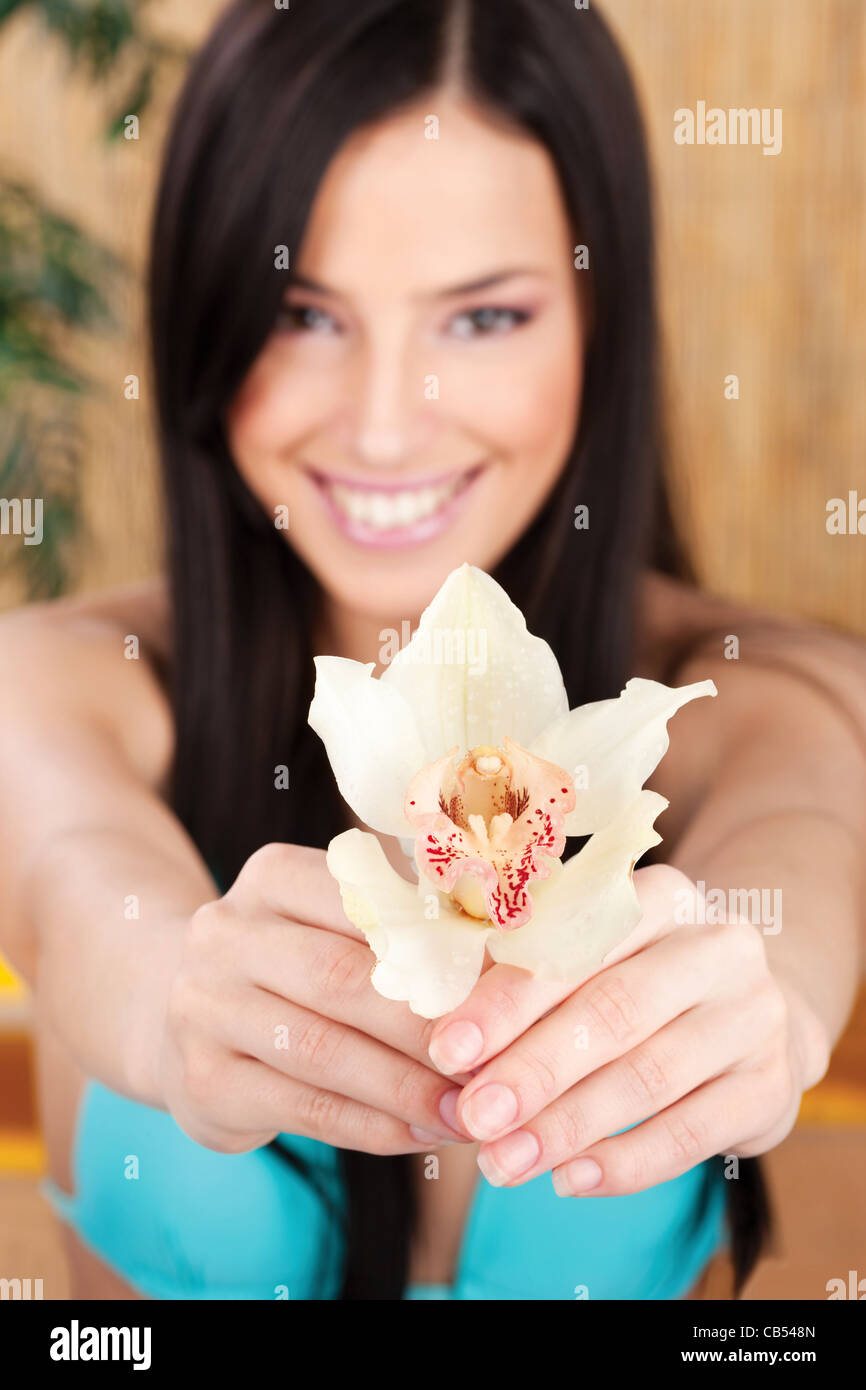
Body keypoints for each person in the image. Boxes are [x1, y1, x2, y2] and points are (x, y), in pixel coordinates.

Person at [2, 0, 864, 1301]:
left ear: (599, 318)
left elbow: (796, 850)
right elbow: (81, 885)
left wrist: (775, 1011)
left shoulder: (756, 695)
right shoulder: (53, 687)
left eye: (480, 318)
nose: (387, 426)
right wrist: (180, 1010)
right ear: (206, 315)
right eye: (304, 312)